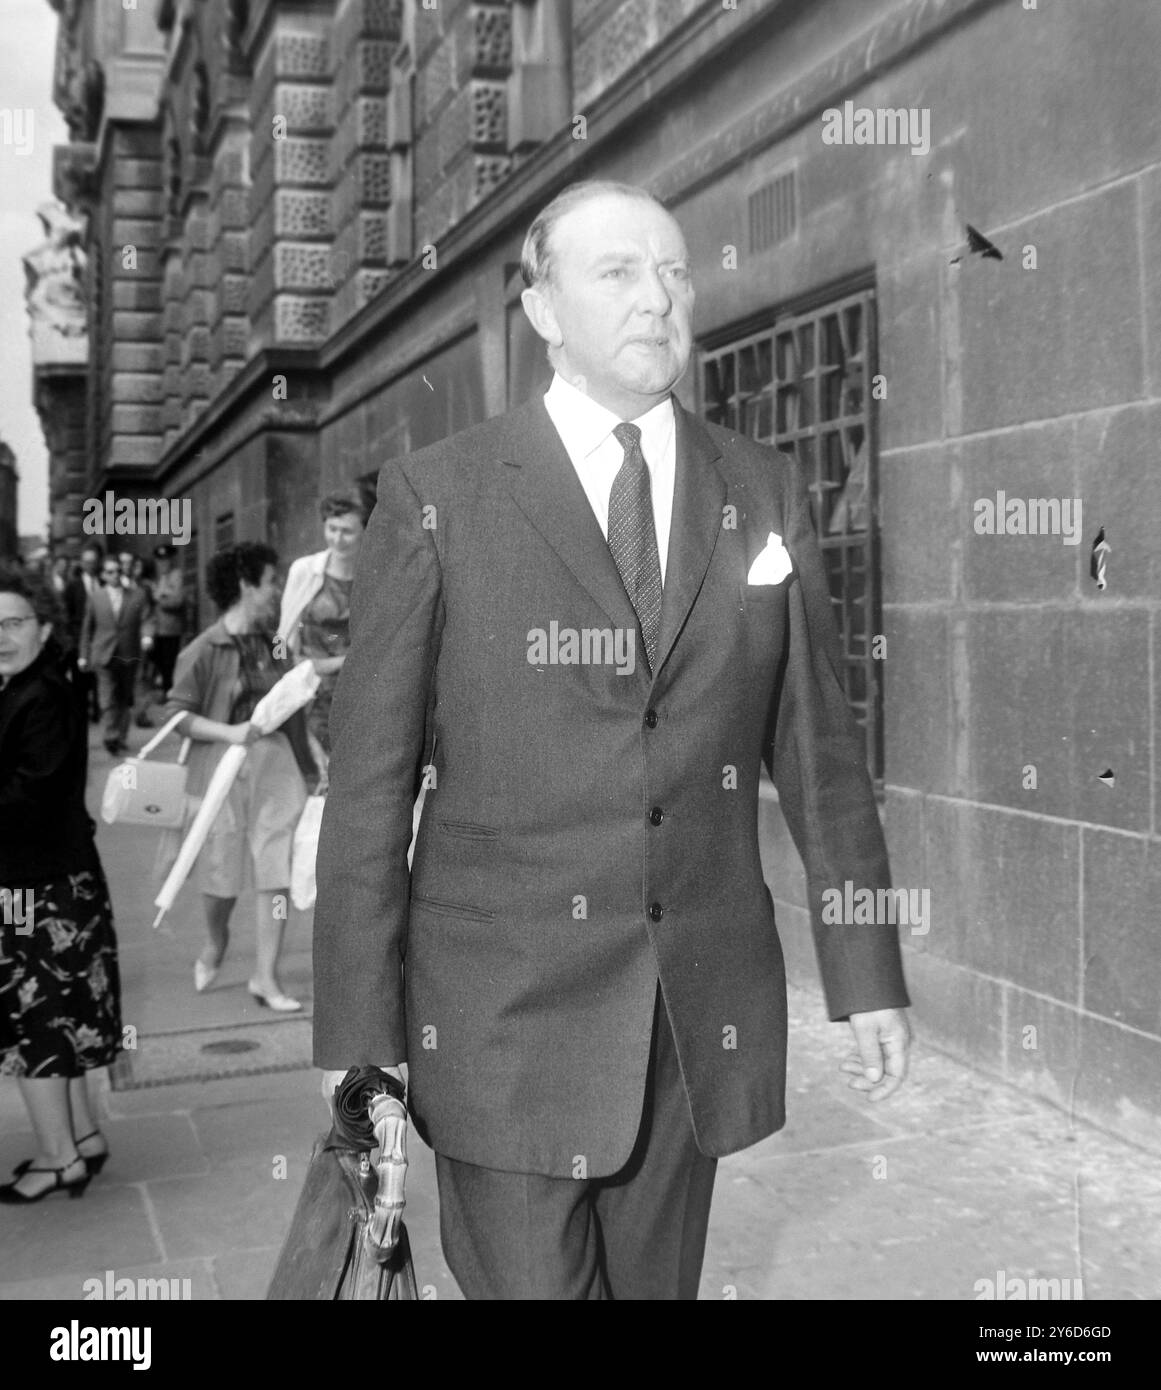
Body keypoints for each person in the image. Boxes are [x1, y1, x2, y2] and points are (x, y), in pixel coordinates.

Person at [311, 181, 913, 1300]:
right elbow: (369, 790)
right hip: (501, 1023)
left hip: (689, 1023)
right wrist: (364, 1032)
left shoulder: (764, 486)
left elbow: (819, 753)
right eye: (619, 272)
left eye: (676, 272)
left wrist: (867, 965)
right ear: (541, 308)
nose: (659, 299)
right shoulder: (438, 496)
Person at [0, 565, 121, 1203]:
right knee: (64, 1013)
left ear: (44, 626)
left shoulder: (38, 694)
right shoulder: (32, 685)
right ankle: (86, 1137)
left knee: (34, 1019)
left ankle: (58, 1156)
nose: (0, 635)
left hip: (32, 891)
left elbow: (29, 798)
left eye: (13, 622)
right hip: (52, 881)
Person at [164, 542, 320, 1012]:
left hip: (275, 766)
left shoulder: (273, 642)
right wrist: (230, 730)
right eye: (269, 581)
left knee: (275, 871)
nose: (276, 591)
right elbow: (178, 715)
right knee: (220, 873)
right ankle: (217, 939)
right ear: (245, 586)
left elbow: (291, 703)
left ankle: (265, 977)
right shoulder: (203, 648)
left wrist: (312, 760)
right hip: (220, 768)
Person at [277, 486, 373, 770]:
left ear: (366, 530)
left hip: (360, 689)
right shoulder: (305, 570)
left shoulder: (376, 573)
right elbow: (286, 631)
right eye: (332, 529)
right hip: (313, 686)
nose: (337, 539)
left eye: (347, 531)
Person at [78, 555, 153, 756]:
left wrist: (147, 636)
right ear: (103, 575)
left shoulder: (137, 595)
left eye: (118, 571)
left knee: (124, 697)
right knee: (107, 696)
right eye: (110, 572)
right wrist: (83, 655)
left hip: (129, 653)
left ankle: (120, 735)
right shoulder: (96, 597)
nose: (115, 575)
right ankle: (110, 736)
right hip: (103, 654)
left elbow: (146, 618)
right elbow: (88, 628)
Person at [64, 544, 102, 722]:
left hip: (101, 638)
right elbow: (67, 614)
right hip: (80, 639)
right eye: (87, 562)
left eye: (93, 562)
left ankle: (97, 711)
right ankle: (82, 714)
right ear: (81, 563)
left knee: (99, 679)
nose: (90, 566)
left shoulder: (103, 582)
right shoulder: (73, 586)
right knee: (81, 681)